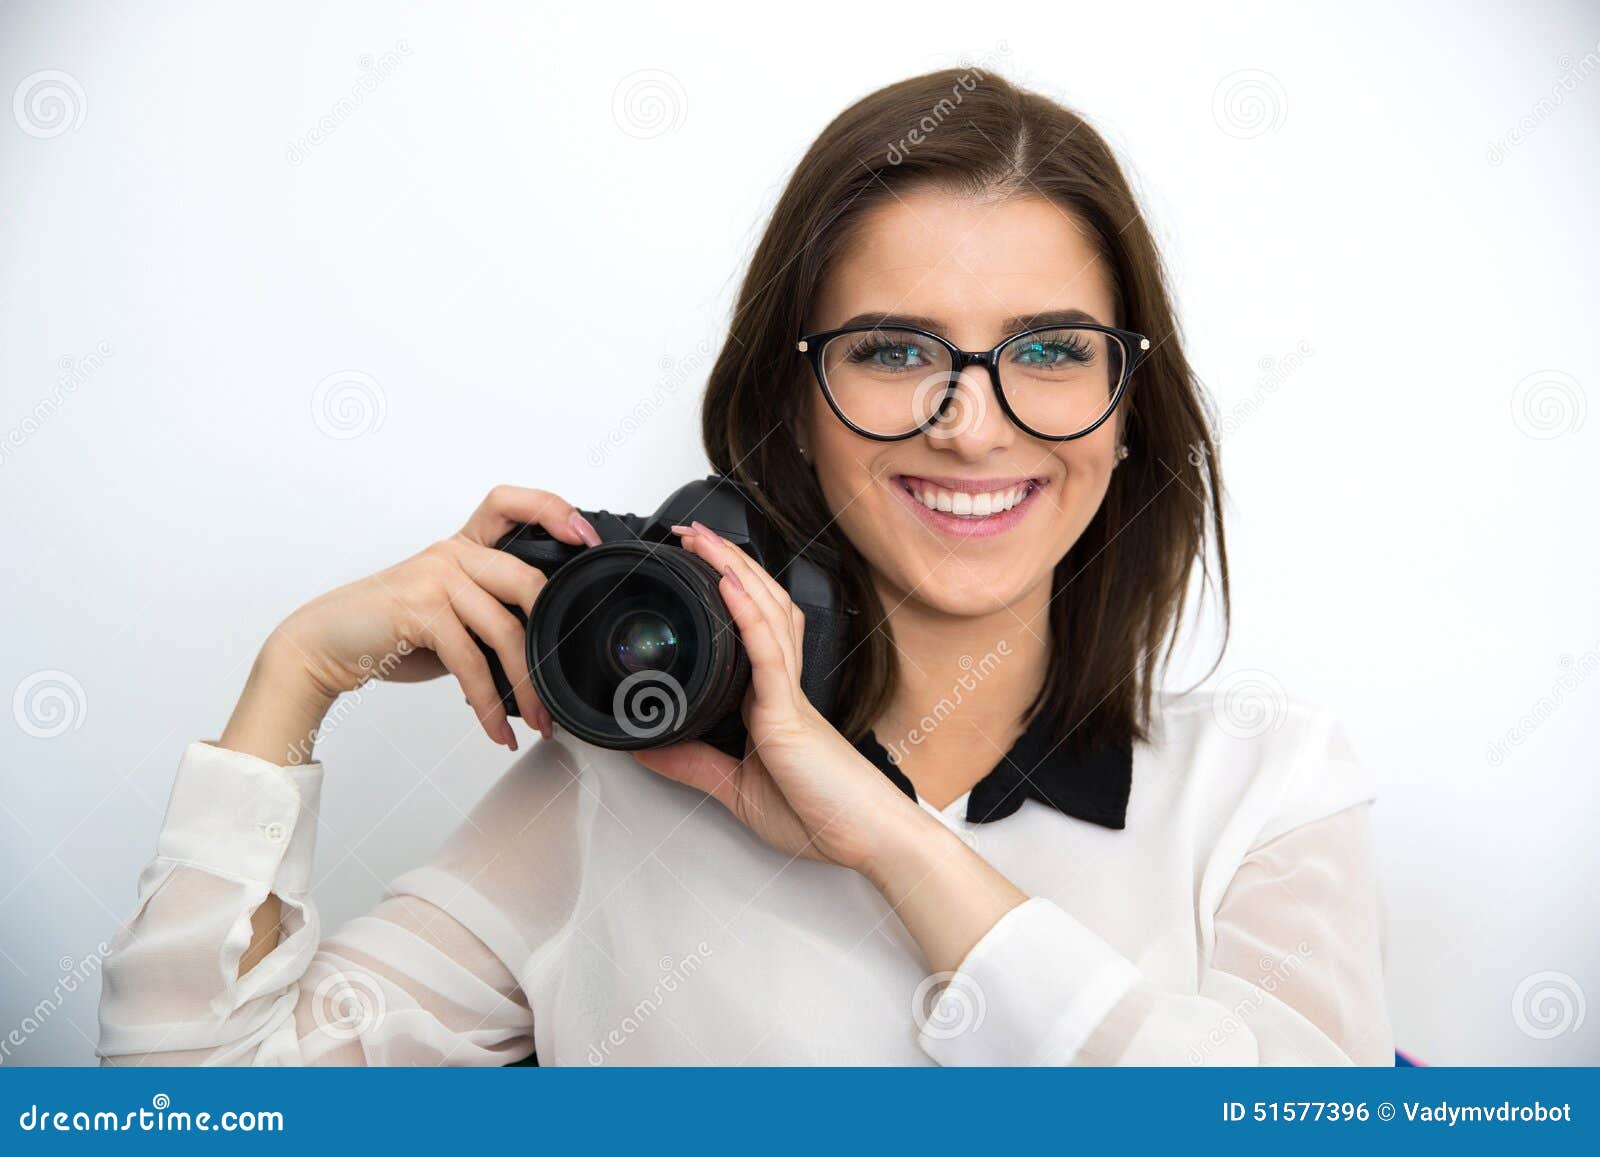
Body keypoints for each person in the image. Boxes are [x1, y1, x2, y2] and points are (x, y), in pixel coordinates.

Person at [97, 69, 1393, 1066]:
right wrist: (291, 682)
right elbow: (182, 1112)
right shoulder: (626, 795)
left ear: (1127, 409)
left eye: (1050, 349)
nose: (975, 422)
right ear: (797, 405)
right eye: (894, 350)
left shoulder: (1266, 787)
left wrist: (890, 839)